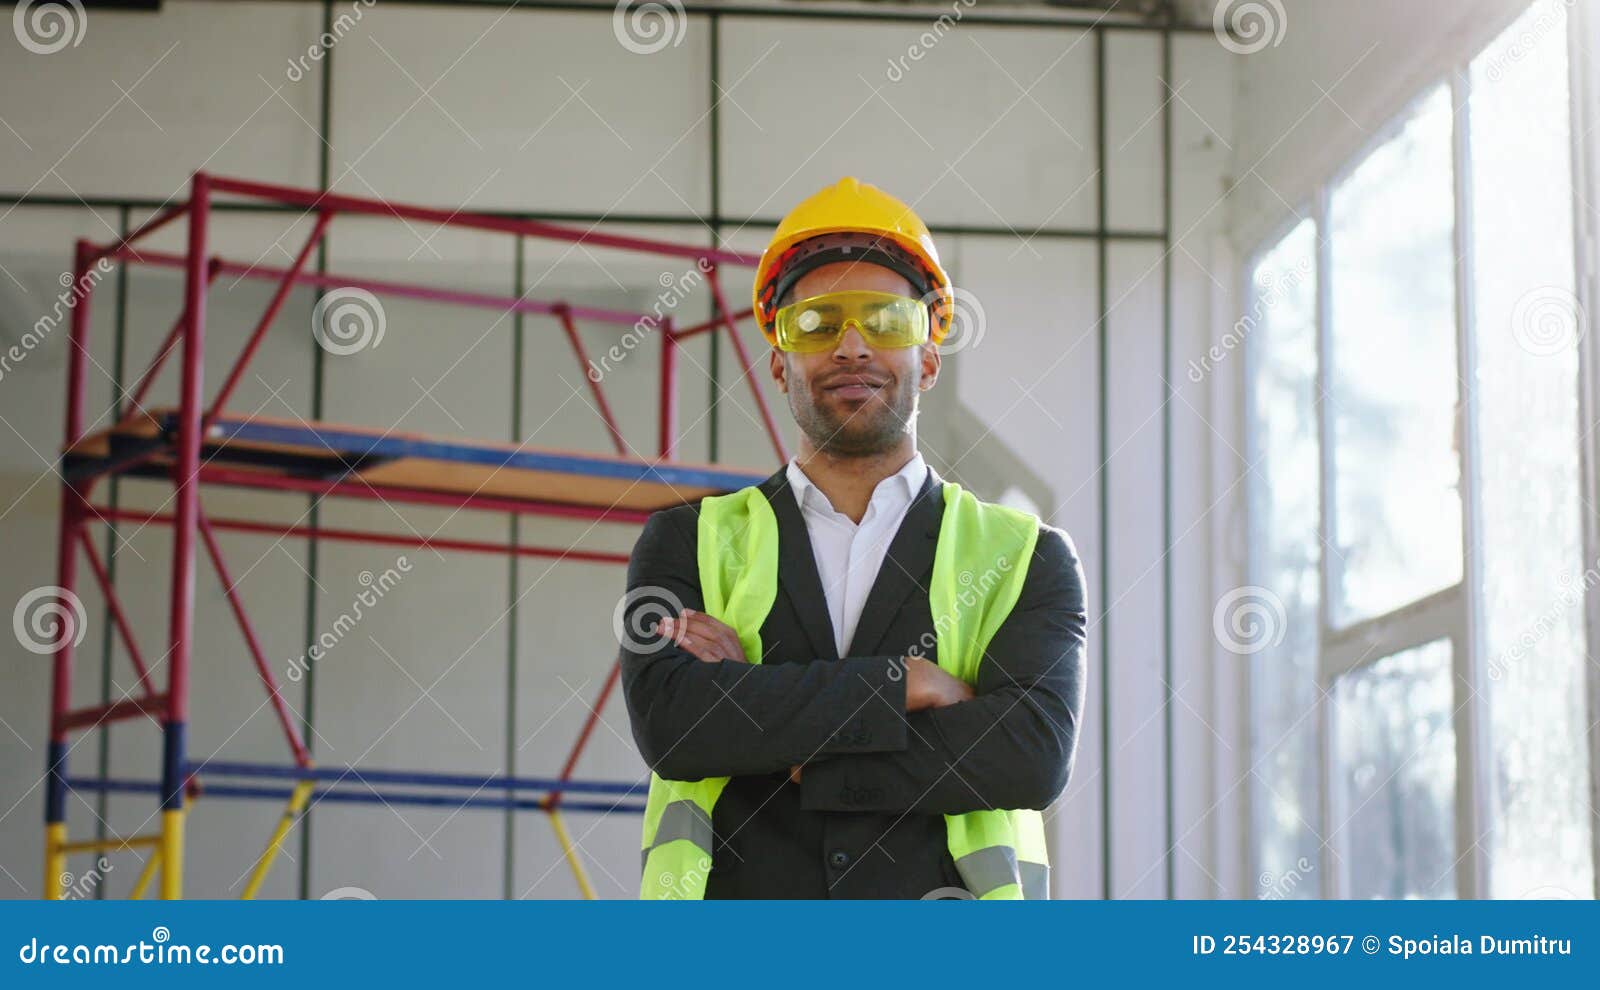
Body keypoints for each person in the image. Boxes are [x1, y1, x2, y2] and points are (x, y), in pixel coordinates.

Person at [620, 176, 1088, 899]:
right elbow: (677, 729)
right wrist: (908, 685)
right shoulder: (686, 543)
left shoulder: (1025, 558)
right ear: (780, 360)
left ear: (928, 358)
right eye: (816, 323)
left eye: (886, 321)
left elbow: (1030, 758)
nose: (851, 346)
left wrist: (767, 717)